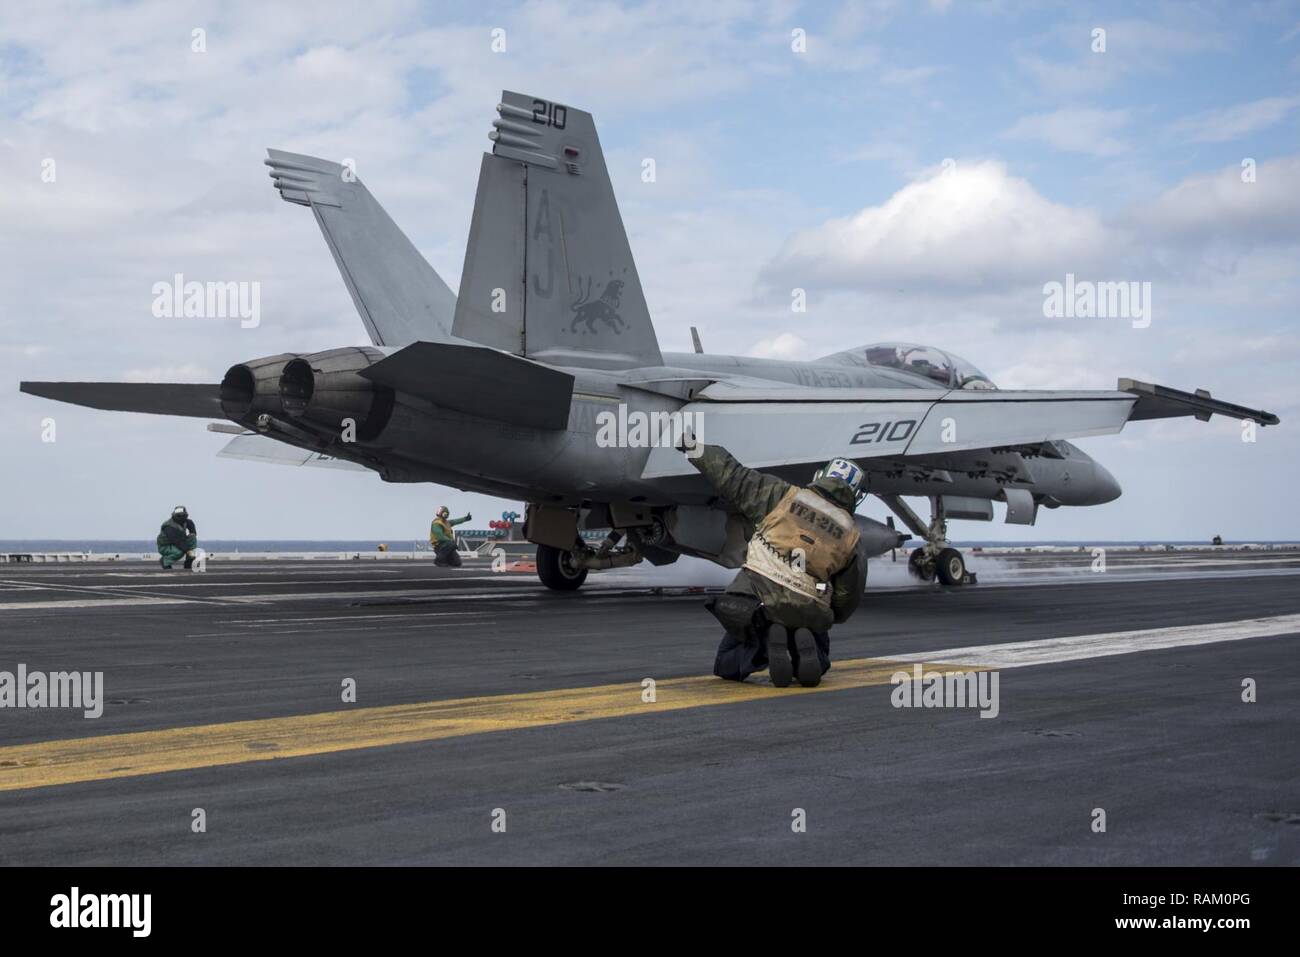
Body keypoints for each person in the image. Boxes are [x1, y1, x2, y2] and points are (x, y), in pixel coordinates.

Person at [682, 435, 866, 688]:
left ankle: (765, 643)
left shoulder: (782, 495)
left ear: (820, 475)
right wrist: (829, 616)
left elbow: (731, 474)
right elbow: (847, 598)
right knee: (818, 656)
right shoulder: (851, 535)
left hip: (754, 598)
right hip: (808, 607)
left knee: (727, 664)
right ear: (857, 494)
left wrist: (691, 445)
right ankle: (803, 642)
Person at [157, 506, 198, 570]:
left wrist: (192, 530)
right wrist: (188, 551)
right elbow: (177, 541)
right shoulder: (168, 526)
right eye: (179, 516)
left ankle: (189, 563)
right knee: (179, 552)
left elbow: (193, 533)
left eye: (183, 516)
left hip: (179, 542)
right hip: (165, 546)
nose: (181, 518)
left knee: (192, 538)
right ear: (174, 515)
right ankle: (165, 561)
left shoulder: (187, 522)